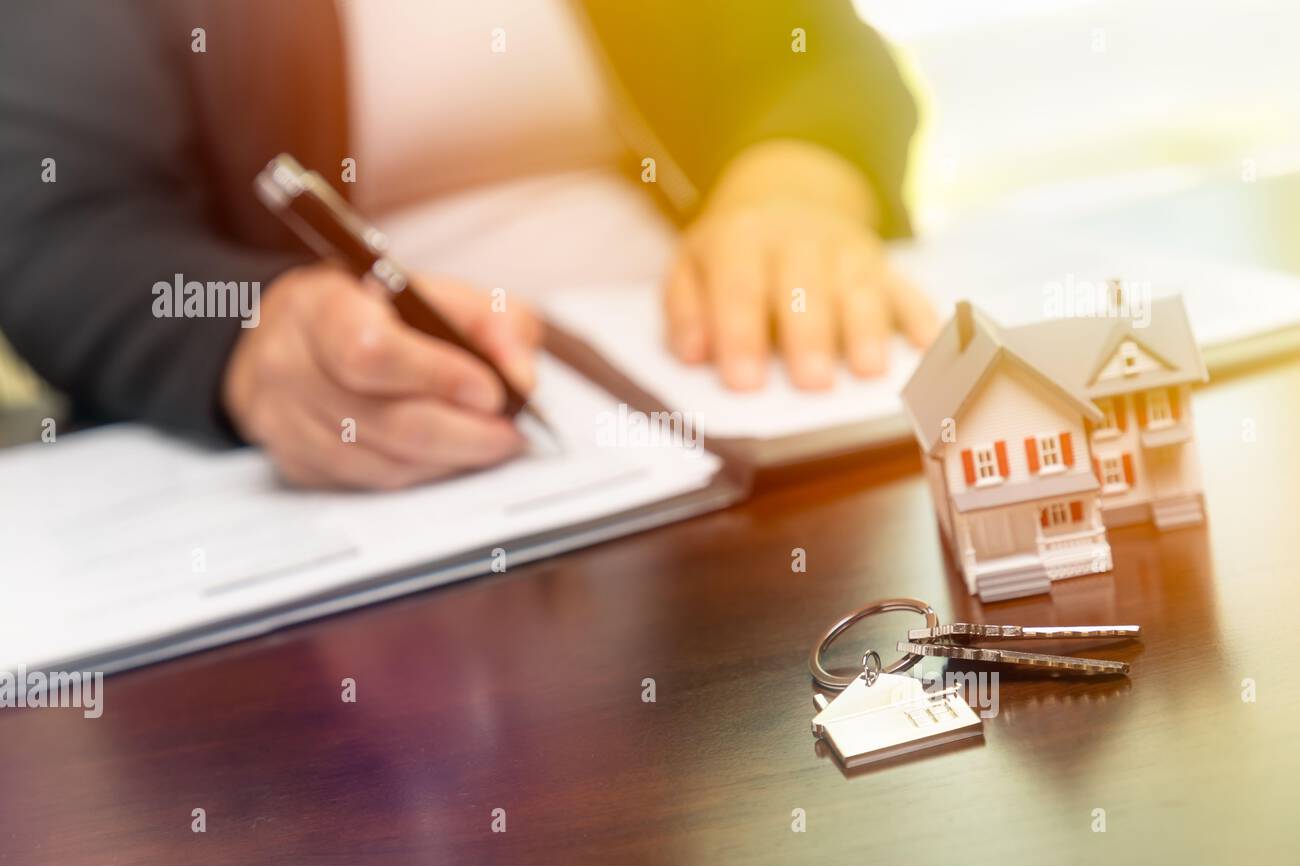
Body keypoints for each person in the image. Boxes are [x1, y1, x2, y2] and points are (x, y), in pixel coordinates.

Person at [0, 0, 934, 489]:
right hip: (385, 499)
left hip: (746, 421)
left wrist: (797, 183)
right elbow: (55, 220)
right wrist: (248, 334)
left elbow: (817, 53)